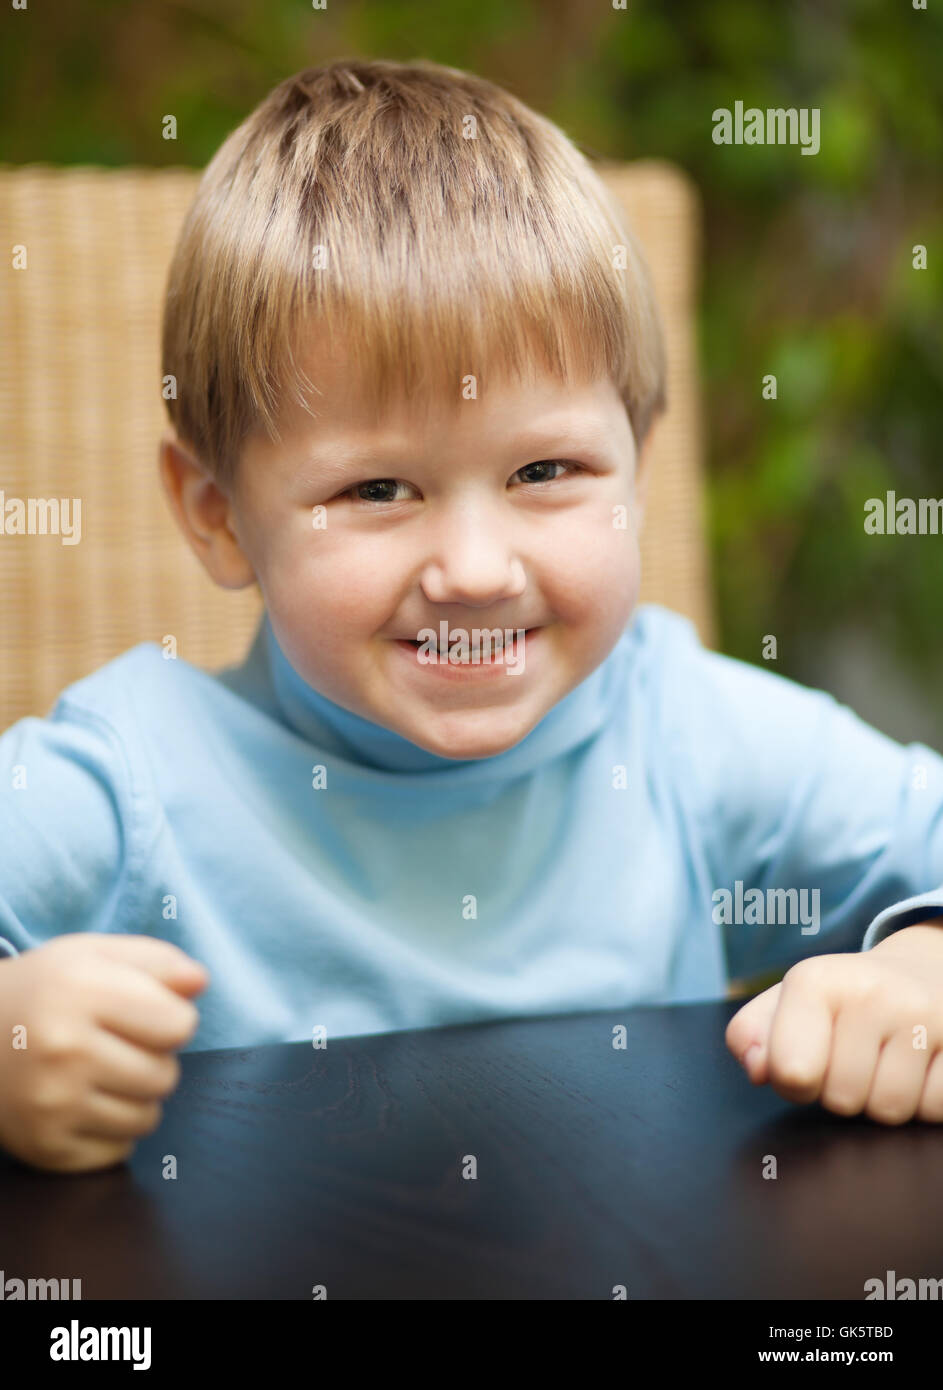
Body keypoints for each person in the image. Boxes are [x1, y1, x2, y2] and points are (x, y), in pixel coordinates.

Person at [2, 59, 943, 1174]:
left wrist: (920, 970)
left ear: (637, 478)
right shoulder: (128, 780)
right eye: (377, 490)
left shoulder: (681, 731)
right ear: (216, 517)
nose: (474, 568)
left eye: (545, 469)